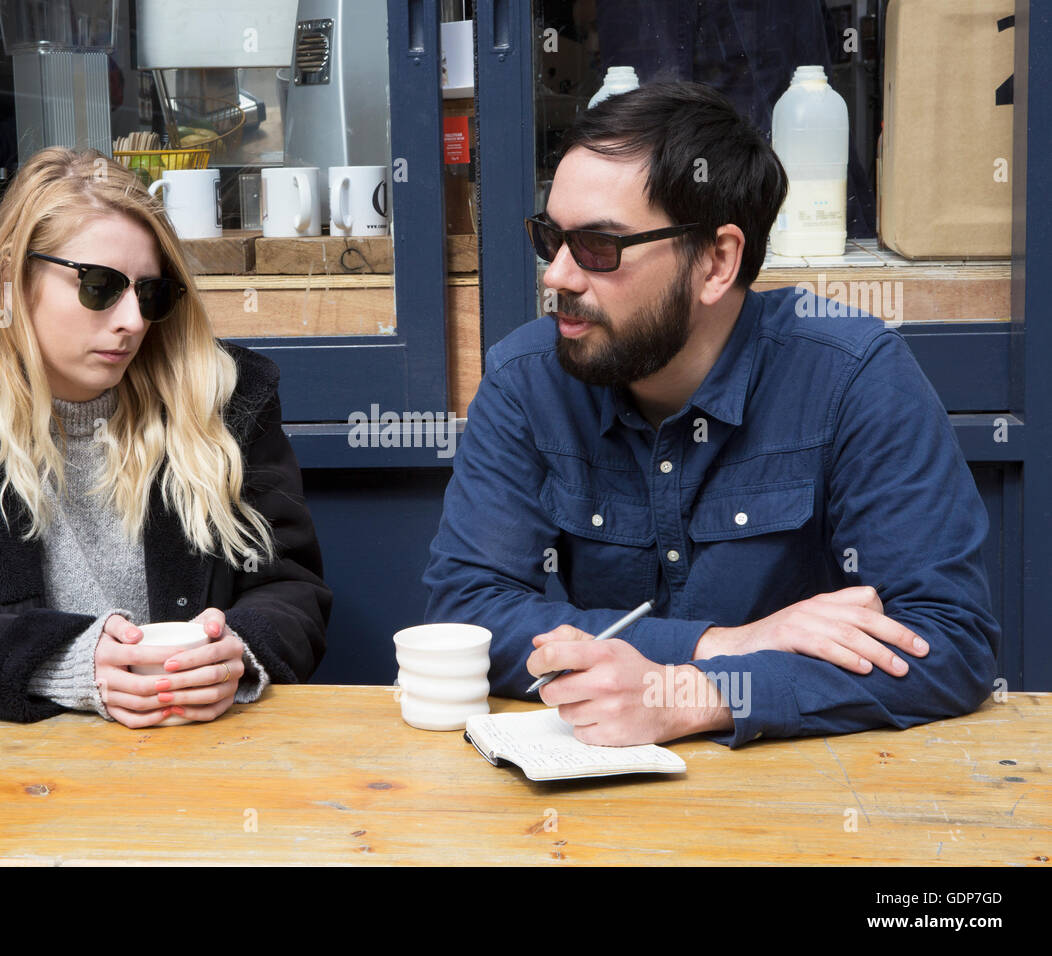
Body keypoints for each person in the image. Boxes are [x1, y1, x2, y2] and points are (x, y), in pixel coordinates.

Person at [424, 82, 998, 748]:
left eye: (598, 248)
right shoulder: (527, 379)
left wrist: (699, 694)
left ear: (717, 261)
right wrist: (724, 643)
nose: (556, 277)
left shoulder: (852, 376)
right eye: (550, 238)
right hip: (574, 812)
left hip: (810, 807)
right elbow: (468, 616)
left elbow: (947, 641)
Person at [0, 146, 331, 728]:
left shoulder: (221, 399)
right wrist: (61, 661)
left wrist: (239, 654)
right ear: (12, 278)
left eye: (150, 293)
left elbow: (292, 589)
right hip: (15, 777)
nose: (132, 321)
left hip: (201, 758)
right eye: (100, 286)